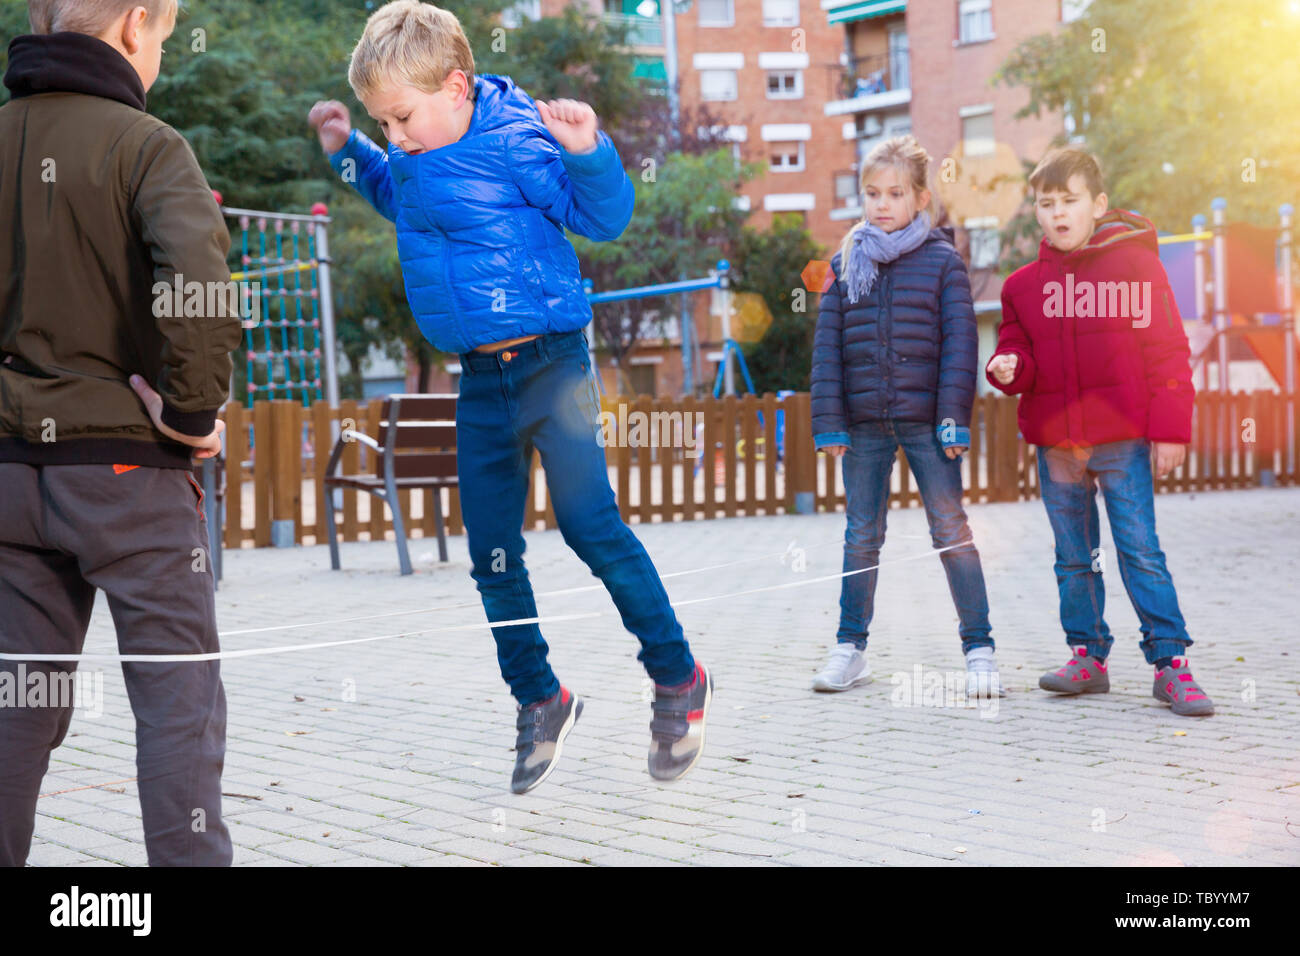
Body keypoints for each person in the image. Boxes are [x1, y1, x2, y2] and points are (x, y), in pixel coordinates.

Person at [308, 1, 711, 794]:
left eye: (400, 117)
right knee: (492, 554)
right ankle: (540, 698)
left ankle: (677, 676)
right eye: (382, 121)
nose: (396, 134)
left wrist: (588, 149)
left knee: (590, 527)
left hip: (553, 366)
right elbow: (395, 192)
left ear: (456, 86)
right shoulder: (414, 155)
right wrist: (346, 152)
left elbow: (605, 216)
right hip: (479, 380)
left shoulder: (521, 137)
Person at [0, 0, 241, 865]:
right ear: (136, 24)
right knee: (179, 706)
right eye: (167, 40)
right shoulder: (147, 146)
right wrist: (192, 413)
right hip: (129, 476)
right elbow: (200, 285)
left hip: (8, 481)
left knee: (12, 712)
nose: (161, 58)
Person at [986, 145, 1211, 717]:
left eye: (1071, 200)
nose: (1059, 213)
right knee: (1072, 556)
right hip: (1058, 448)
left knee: (1140, 549)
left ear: (1098, 204)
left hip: (1122, 440)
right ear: (1036, 210)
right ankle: (1087, 656)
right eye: (1047, 202)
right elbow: (1018, 352)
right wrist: (1006, 367)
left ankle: (1171, 664)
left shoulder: (1136, 269)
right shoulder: (1021, 287)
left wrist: (1171, 430)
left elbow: (1166, 352)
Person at [811, 135, 999, 698]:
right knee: (861, 535)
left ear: (920, 198)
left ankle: (980, 649)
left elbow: (960, 346)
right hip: (864, 423)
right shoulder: (846, 263)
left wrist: (953, 420)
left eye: (895, 193)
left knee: (950, 531)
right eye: (872, 193)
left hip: (926, 422)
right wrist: (831, 423)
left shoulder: (944, 262)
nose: (882, 204)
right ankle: (850, 648)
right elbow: (827, 348)